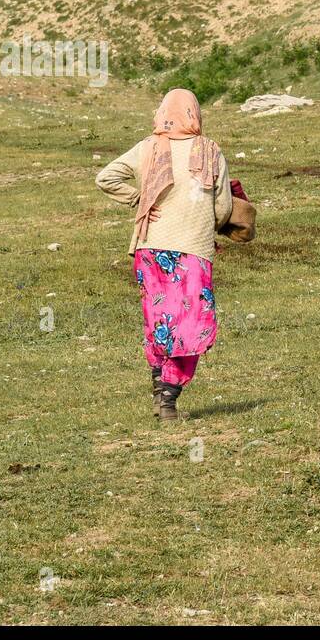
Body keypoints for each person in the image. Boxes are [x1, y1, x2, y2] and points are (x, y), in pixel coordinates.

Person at [96, 89, 232, 422]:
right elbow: (224, 207)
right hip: (193, 250)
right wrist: (209, 223)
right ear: (194, 114)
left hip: (150, 249)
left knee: (161, 321)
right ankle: (169, 396)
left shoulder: (148, 146)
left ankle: (161, 391)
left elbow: (106, 177)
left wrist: (140, 199)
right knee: (193, 324)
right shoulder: (209, 150)